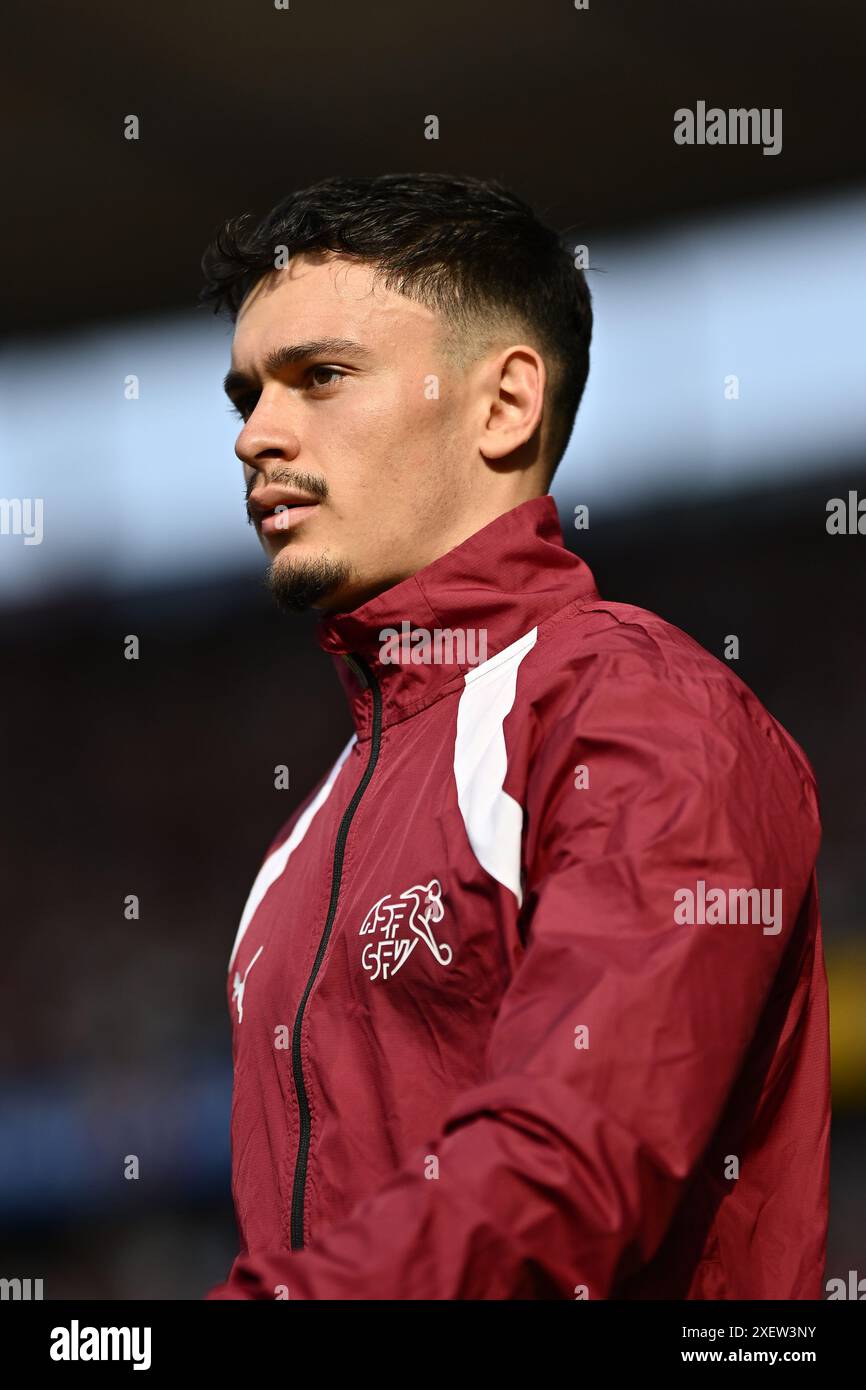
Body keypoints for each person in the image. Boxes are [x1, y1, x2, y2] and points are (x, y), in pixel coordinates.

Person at [199, 172, 829, 1299]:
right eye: (246, 394)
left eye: (321, 377)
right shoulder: (296, 849)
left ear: (502, 406)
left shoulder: (630, 708)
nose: (257, 435)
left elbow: (570, 1174)